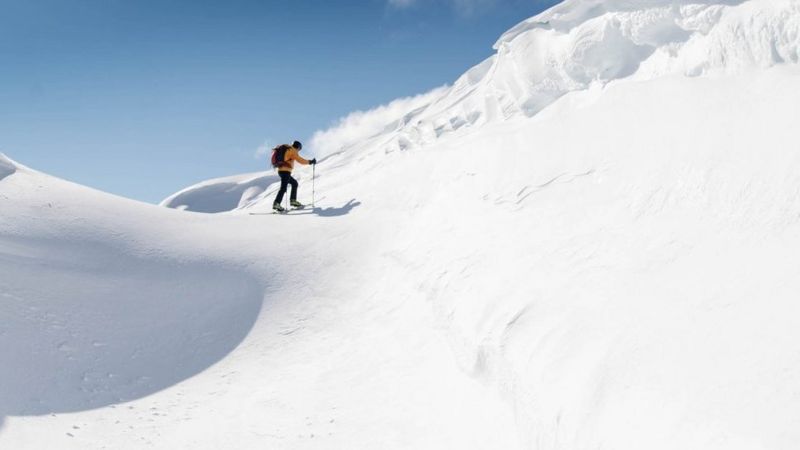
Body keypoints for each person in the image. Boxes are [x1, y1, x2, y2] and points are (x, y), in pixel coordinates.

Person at [272, 140, 316, 212]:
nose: (299, 151)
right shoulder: (293, 151)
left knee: (294, 183)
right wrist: (310, 162)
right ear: (298, 147)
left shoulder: (288, 148)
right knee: (283, 188)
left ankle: (293, 201)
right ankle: (276, 203)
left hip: (281, 171)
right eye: (299, 149)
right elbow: (300, 160)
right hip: (285, 172)